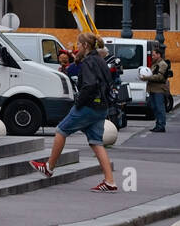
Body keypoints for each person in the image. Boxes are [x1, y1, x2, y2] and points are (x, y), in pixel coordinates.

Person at [30, 31, 117, 191]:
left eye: (78, 44)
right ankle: (110, 181)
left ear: (85, 45)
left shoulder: (89, 62)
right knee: (96, 142)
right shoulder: (101, 60)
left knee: (61, 130)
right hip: (102, 107)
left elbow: (89, 85)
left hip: (88, 106)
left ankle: (49, 167)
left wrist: (78, 102)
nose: (77, 47)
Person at [145, 40, 171, 133]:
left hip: (159, 89)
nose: (152, 56)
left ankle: (161, 125)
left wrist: (148, 77)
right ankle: (158, 124)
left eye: (153, 55)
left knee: (160, 108)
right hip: (152, 88)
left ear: (158, 55)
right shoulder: (155, 64)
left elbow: (160, 76)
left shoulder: (162, 64)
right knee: (154, 107)